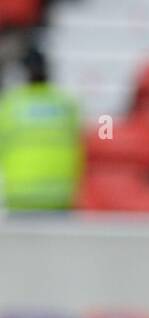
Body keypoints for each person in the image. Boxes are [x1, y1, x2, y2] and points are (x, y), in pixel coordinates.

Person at [0, 47, 83, 210]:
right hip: (61, 196)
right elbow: (88, 142)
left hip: (19, 194)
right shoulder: (68, 105)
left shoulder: (10, 105)